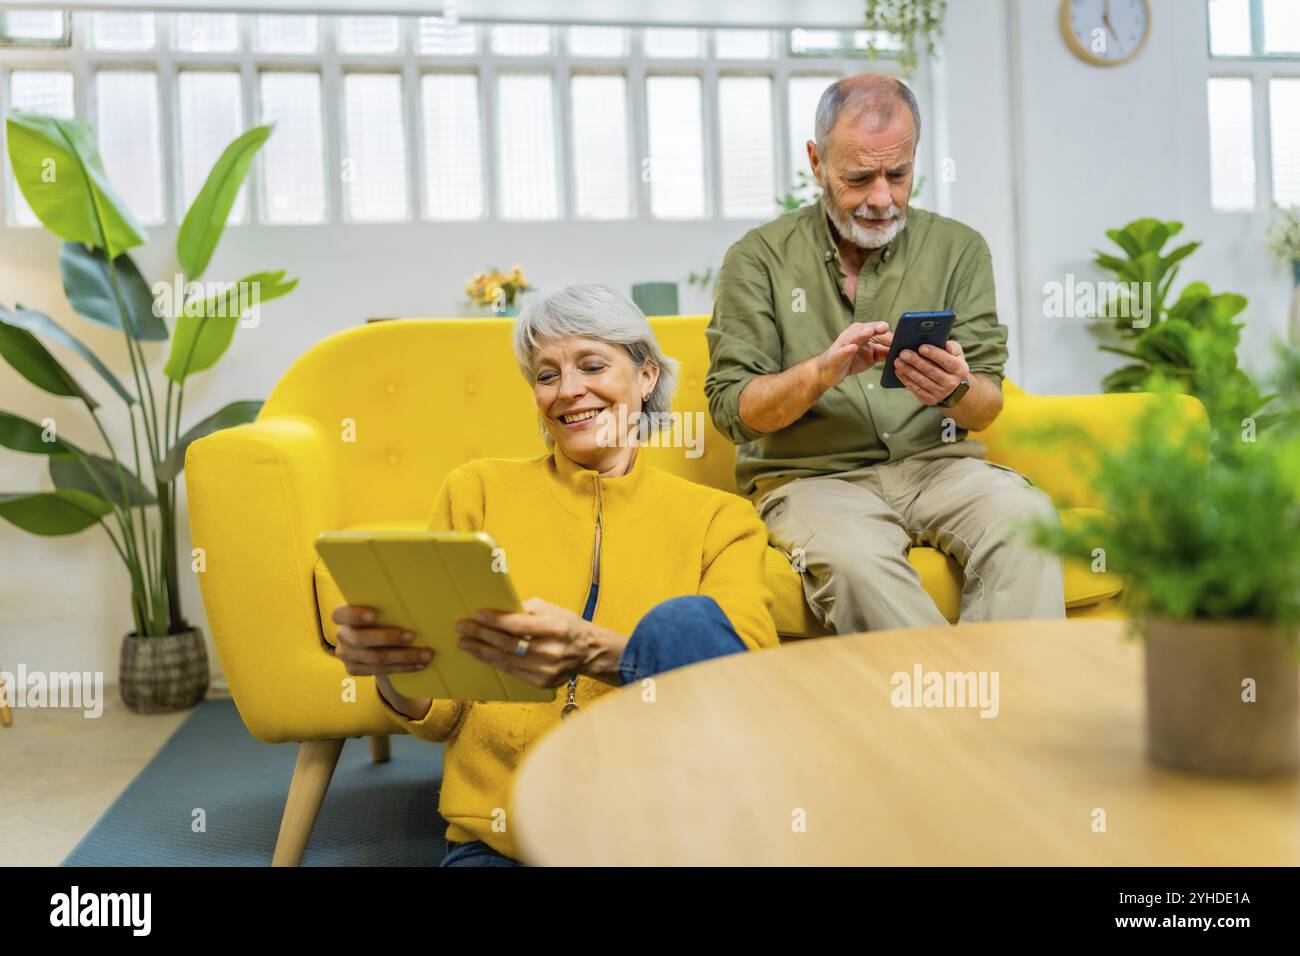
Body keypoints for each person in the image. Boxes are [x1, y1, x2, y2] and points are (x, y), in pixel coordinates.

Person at [332, 284, 779, 866]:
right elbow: (439, 714)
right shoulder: (477, 492)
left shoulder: (720, 519)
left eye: (592, 364)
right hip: (502, 842)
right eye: (547, 375)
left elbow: (747, 684)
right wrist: (393, 670)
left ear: (646, 376)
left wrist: (598, 651)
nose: (569, 391)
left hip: (658, 838)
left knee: (684, 624)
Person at [705, 73, 1064, 635]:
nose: (881, 198)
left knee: (1029, 523)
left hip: (938, 467)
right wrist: (819, 375)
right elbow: (732, 412)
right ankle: (951, 709)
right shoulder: (757, 259)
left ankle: (1008, 710)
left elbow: (987, 406)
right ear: (816, 162)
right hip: (812, 481)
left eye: (898, 174)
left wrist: (955, 391)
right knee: (856, 564)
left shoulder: (958, 250)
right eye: (858, 177)